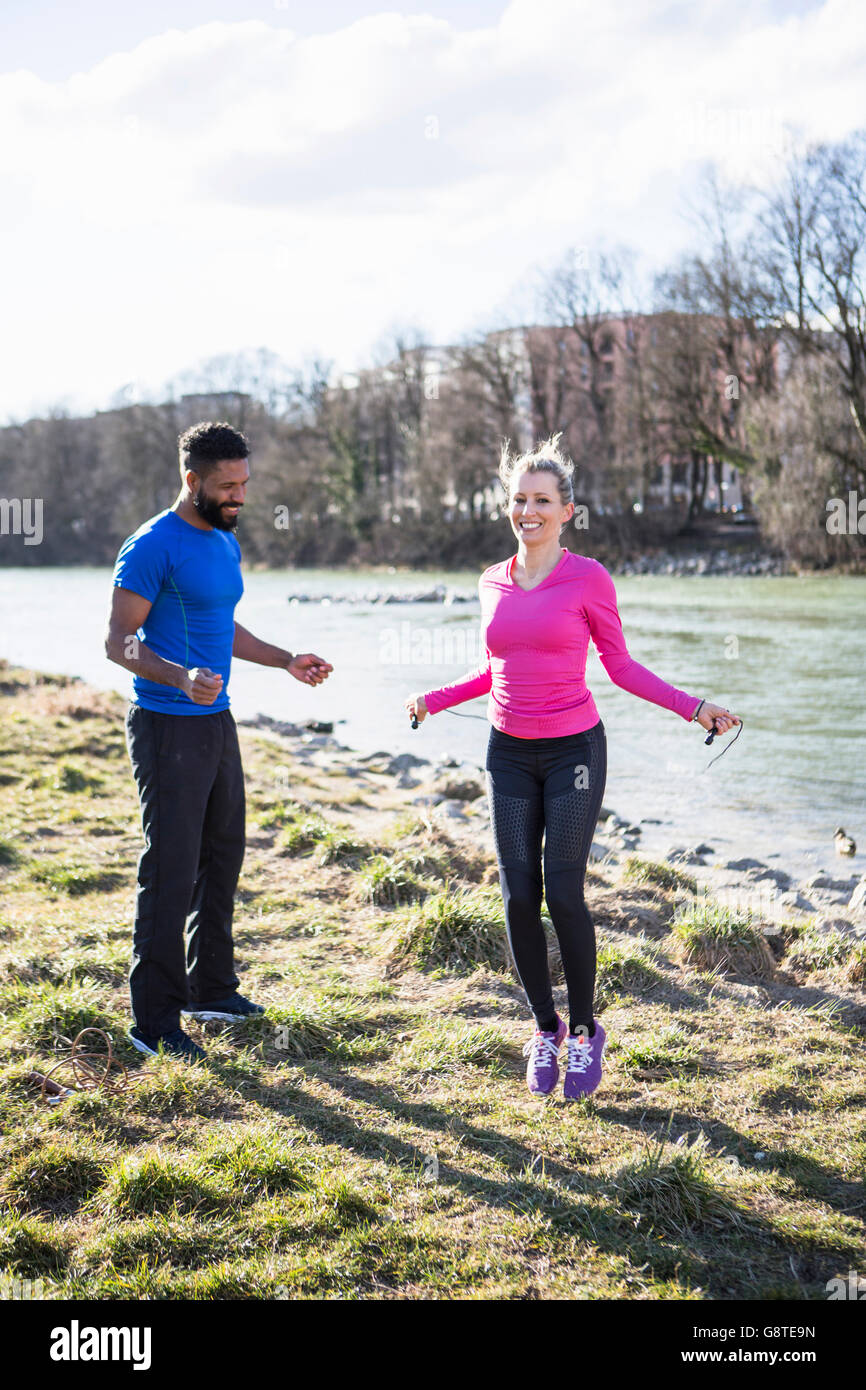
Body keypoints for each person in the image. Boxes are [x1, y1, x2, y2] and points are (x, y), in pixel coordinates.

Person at [404, 434, 739, 1101]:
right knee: (517, 898)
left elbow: (619, 666)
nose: (528, 511)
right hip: (507, 752)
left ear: (567, 510)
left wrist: (691, 707)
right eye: (519, 499)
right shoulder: (490, 581)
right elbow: (494, 667)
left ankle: (586, 1031)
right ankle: (546, 1029)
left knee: (563, 891)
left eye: (542, 501)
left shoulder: (588, 578)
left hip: (573, 750)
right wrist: (432, 699)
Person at [105, 421, 333, 1062]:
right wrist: (179, 677)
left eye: (245, 486)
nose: (238, 497)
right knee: (170, 868)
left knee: (223, 854)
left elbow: (219, 623)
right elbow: (117, 642)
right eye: (227, 486)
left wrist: (286, 659)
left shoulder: (224, 541)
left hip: (215, 721)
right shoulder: (151, 545)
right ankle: (153, 1022)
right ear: (192, 480)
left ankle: (211, 989)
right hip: (165, 723)